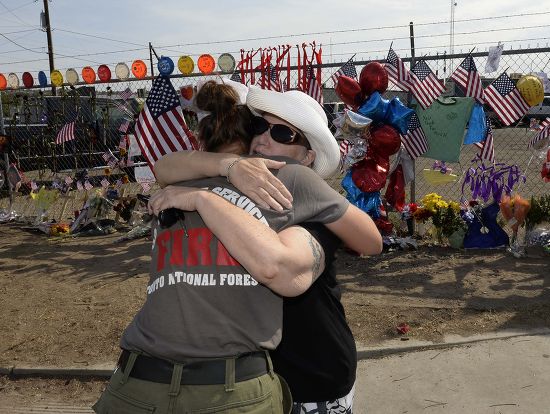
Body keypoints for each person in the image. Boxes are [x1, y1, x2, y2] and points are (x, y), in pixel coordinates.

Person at [93, 81, 372, 414]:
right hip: (249, 372)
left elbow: (366, 242)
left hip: (310, 369)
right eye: (259, 126)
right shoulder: (230, 179)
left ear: (308, 155)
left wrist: (204, 199)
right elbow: (166, 167)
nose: (266, 137)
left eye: (284, 134)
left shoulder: (300, 192)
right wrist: (228, 167)